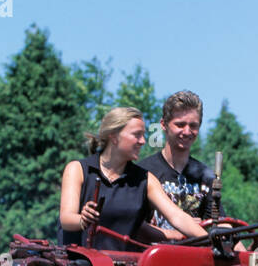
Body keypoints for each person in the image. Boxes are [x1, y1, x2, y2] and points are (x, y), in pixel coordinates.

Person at [59, 107, 207, 252]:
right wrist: (82, 220)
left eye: (143, 135)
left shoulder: (146, 180)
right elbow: (66, 219)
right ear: (114, 137)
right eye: (137, 135)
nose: (143, 141)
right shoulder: (77, 169)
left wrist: (212, 241)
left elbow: (177, 216)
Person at [141, 91, 217, 238]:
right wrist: (180, 233)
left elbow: (218, 223)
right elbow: (134, 225)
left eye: (193, 125)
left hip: (195, 257)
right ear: (163, 125)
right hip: (154, 256)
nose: (187, 131)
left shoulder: (206, 176)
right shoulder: (143, 171)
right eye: (180, 124)